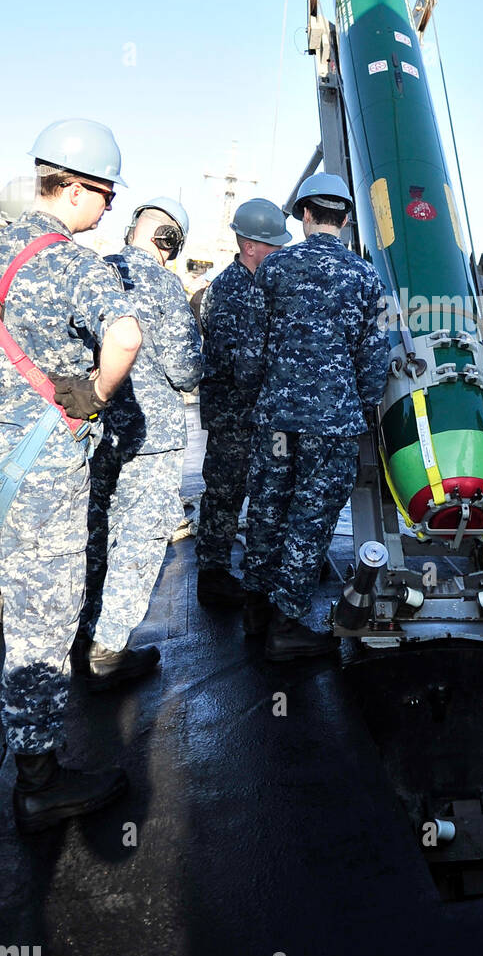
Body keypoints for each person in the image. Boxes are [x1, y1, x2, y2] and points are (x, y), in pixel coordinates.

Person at [0, 120, 142, 832]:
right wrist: (94, 392)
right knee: (37, 624)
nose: (108, 211)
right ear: (79, 187)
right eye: (107, 196)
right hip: (42, 477)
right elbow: (125, 335)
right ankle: (38, 779)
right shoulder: (74, 263)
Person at [236, 173, 389, 659]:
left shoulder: (273, 268)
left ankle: (256, 610)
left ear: (304, 214)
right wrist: (358, 406)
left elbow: (248, 352)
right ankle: (287, 623)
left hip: (276, 418)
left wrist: (259, 397)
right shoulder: (365, 276)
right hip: (332, 422)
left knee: (266, 507)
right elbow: (374, 359)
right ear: (345, 220)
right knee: (311, 515)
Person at [76, 198, 202, 689]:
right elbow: (185, 370)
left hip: (94, 431)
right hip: (151, 439)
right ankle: (107, 651)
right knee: (139, 541)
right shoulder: (166, 285)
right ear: (169, 244)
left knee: (95, 534)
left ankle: (80, 634)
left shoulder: (93, 271)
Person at [195, 199, 291, 609]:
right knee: (225, 491)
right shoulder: (229, 290)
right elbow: (228, 359)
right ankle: (213, 572)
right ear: (250, 245)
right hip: (234, 413)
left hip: (260, 413)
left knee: (268, 490)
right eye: (273, 245)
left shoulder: (264, 285)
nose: (280, 252)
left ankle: (269, 562)